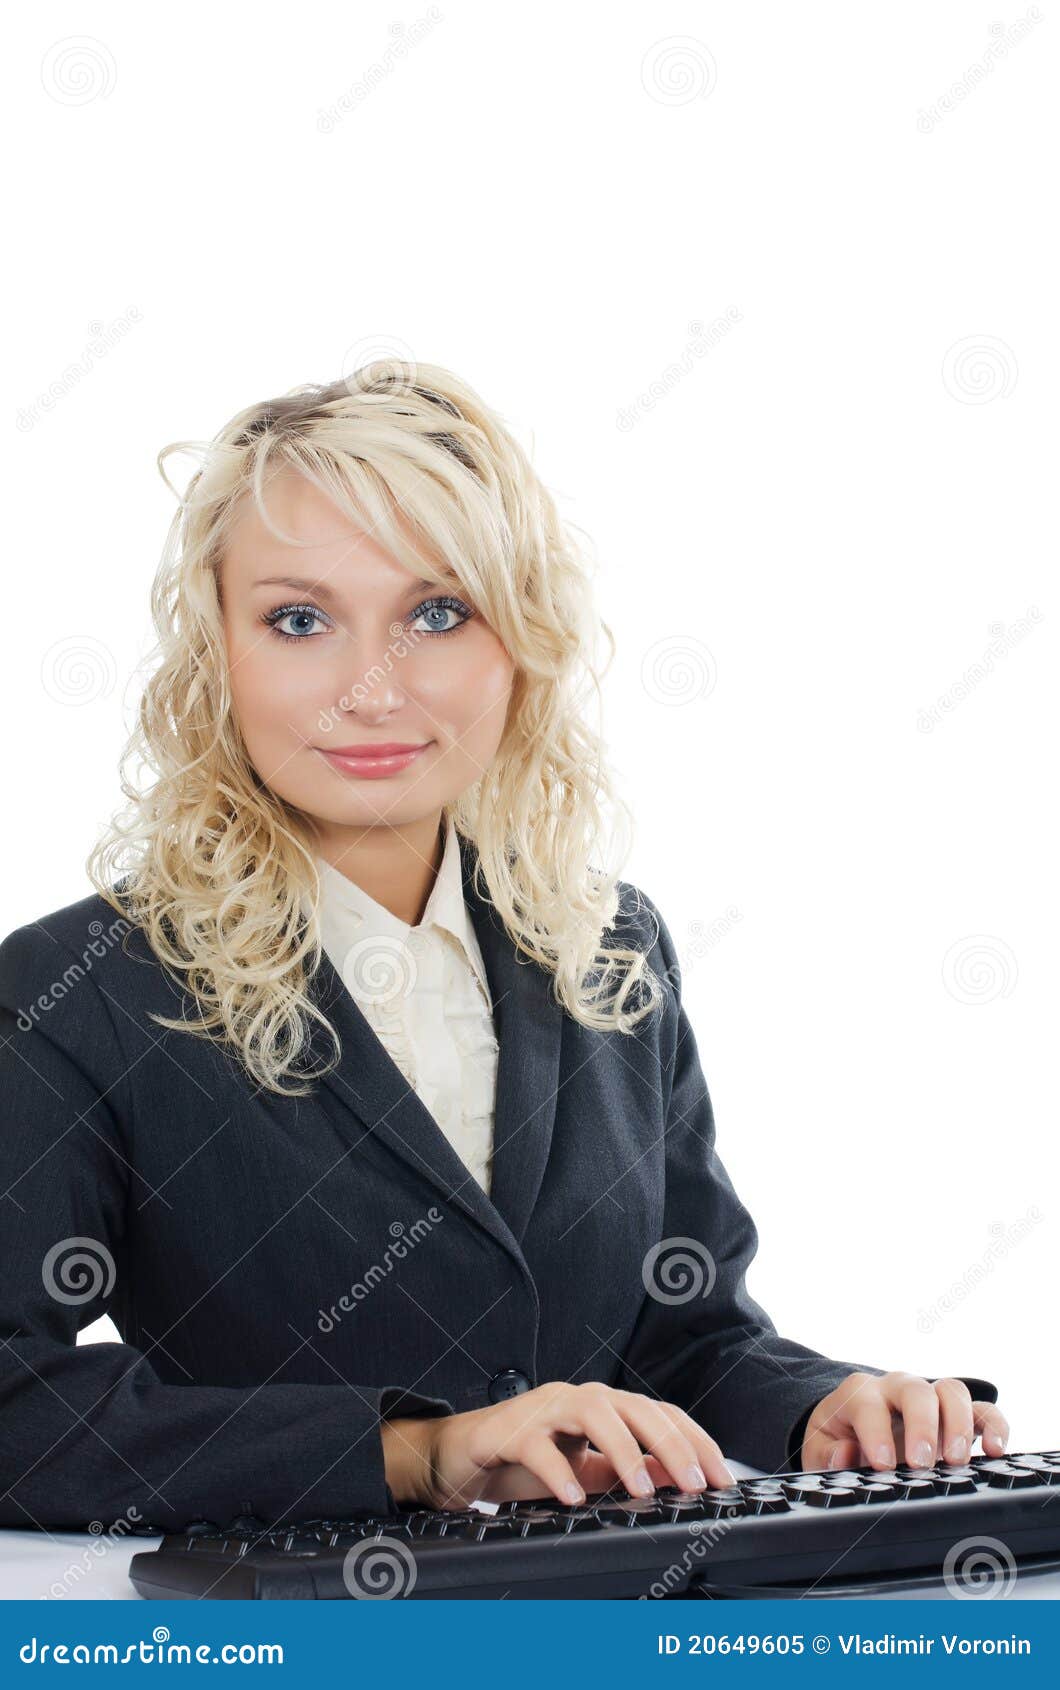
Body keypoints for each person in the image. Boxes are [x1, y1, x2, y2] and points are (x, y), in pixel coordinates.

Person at [0, 364, 1006, 1533]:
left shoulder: (608, 946)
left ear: (521, 643)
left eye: (437, 613)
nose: (373, 690)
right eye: (299, 619)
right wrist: (416, 1451)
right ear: (215, 652)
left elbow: (683, 1335)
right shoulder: (83, 993)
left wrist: (817, 1411)